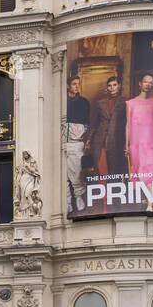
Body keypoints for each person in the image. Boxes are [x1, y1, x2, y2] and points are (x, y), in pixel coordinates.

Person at [126, 74, 153, 210]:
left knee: (149, 171)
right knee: (140, 173)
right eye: (145, 82)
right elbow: (127, 124)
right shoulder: (130, 103)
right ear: (140, 83)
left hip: (151, 142)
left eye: (151, 82)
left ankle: (150, 204)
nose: (148, 85)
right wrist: (126, 143)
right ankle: (147, 200)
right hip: (136, 143)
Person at [87, 75, 129, 180]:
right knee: (101, 168)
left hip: (117, 140)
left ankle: (115, 194)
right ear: (107, 88)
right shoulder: (100, 103)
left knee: (116, 170)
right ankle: (103, 195)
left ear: (119, 86)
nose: (112, 88)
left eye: (114, 85)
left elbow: (128, 123)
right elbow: (95, 123)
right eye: (109, 85)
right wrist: (89, 139)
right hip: (100, 140)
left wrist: (127, 142)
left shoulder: (126, 102)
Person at [65, 75, 91, 211]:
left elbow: (87, 123)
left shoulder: (83, 102)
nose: (76, 86)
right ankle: (68, 200)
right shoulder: (62, 101)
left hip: (76, 142)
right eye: (74, 84)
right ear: (69, 85)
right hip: (61, 142)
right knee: (62, 174)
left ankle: (79, 196)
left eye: (78, 84)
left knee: (76, 173)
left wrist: (83, 136)